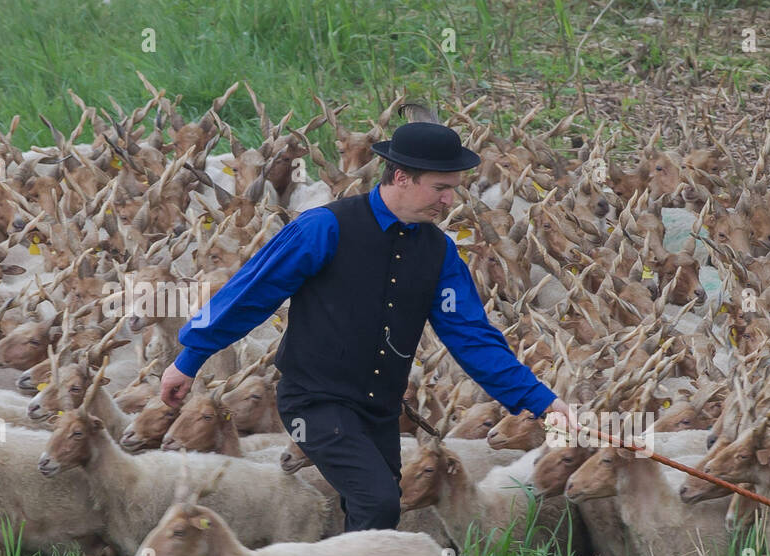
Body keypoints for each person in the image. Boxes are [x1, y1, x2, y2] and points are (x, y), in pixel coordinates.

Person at [159, 120, 576, 533]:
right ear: (401, 177)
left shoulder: (439, 253)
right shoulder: (324, 228)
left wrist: (540, 401)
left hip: (380, 409)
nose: (450, 200)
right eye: (440, 187)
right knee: (375, 501)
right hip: (314, 401)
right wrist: (189, 360)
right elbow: (250, 294)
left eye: (454, 188)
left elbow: (471, 336)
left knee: (380, 512)